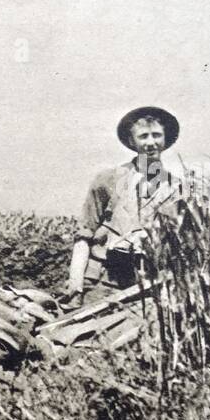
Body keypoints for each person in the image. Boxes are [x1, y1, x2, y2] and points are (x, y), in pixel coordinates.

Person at [65, 106, 185, 304]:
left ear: (165, 139)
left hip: (150, 284)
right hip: (104, 281)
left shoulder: (176, 188)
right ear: (131, 141)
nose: (150, 143)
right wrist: (75, 284)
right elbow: (84, 234)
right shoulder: (108, 180)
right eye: (143, 136)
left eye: (156, 135)